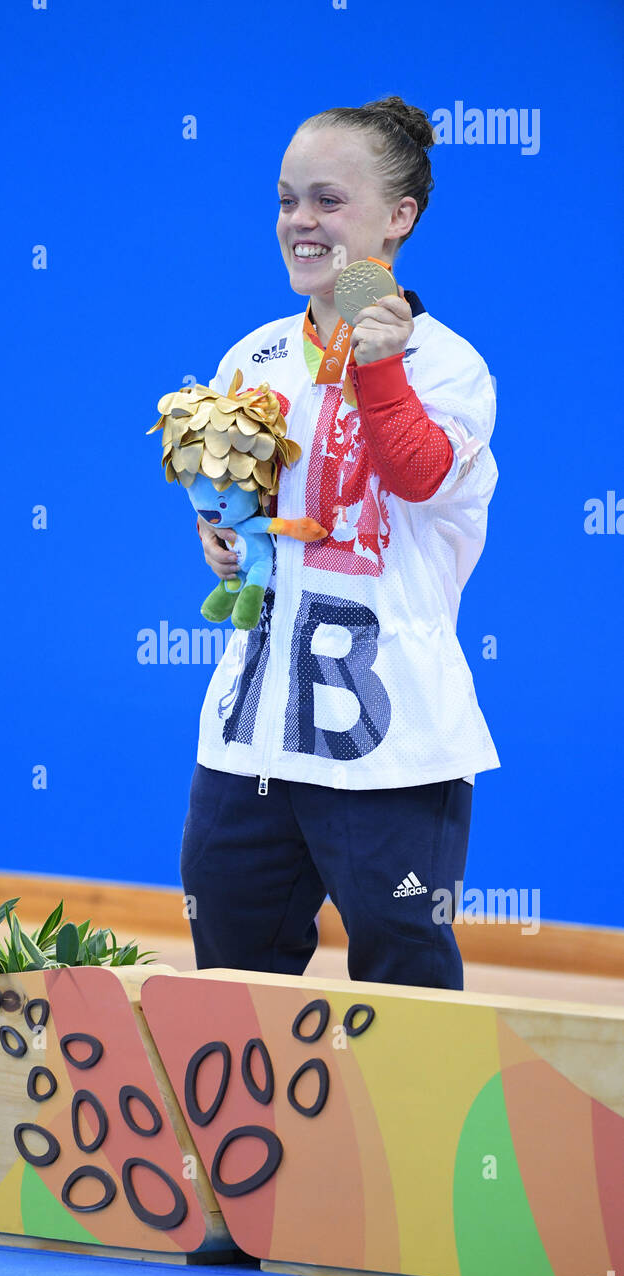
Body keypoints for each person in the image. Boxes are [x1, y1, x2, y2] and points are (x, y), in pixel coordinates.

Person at [180, 96, 499, 991]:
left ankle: (429, 1140)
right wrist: (222, 540)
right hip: (250, 740)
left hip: (390, 744)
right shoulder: (253, 357)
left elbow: (420, 478)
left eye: (327, 200)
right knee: (232, 972)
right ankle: (248, 1137)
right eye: (287, 200)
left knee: (405, 985)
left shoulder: (448, 366)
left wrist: (381, 363)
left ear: (399, 219)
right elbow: (236, 502)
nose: (298, 223)